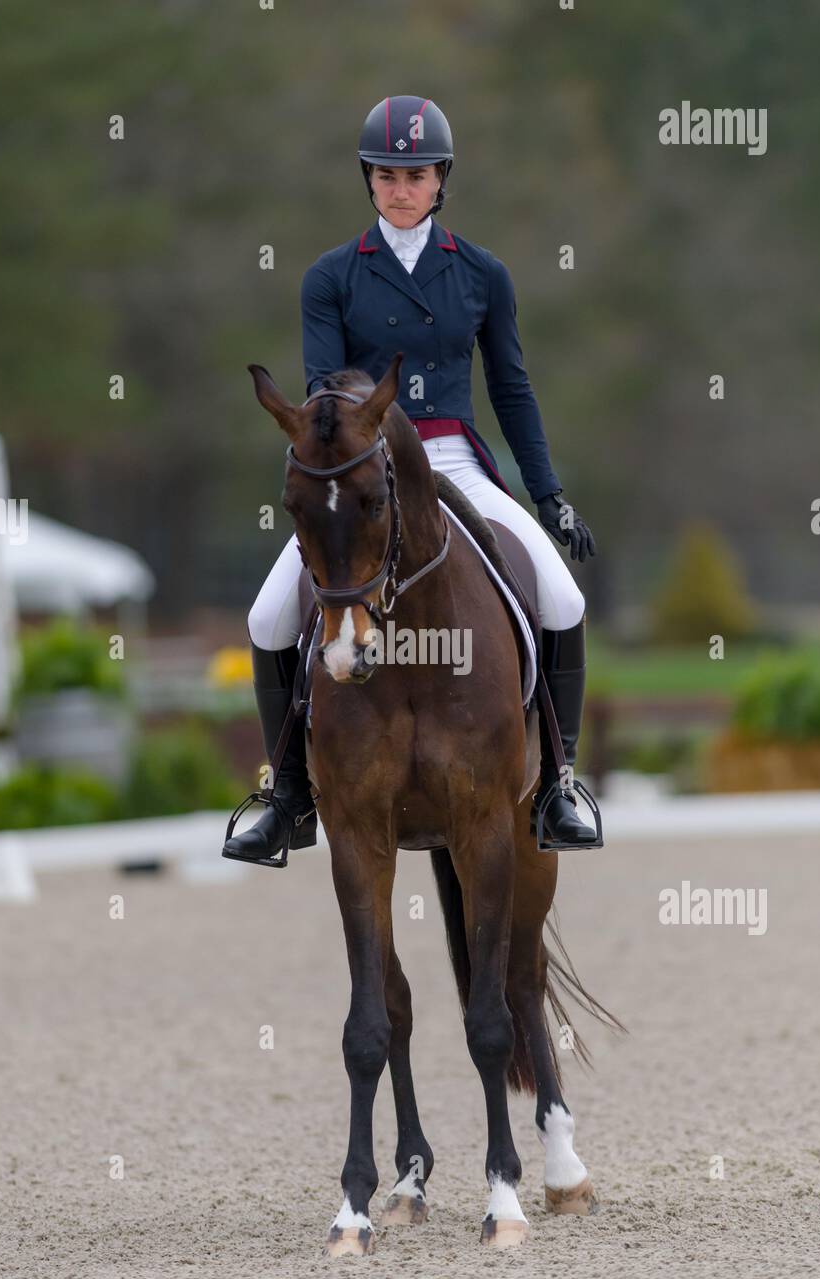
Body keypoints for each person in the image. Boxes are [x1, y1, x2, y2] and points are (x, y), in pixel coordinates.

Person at [223, 94, 600, 866]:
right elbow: (326, 391)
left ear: (440, 182)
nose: (401, 188)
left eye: (416, 175)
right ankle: (286, 794)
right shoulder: (330, 276)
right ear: (369, 181)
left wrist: (548, 493)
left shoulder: (481, 275)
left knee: (563, 598)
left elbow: (512, 390)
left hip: (453, 453)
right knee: (267, 618)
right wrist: (356, 455)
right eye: (387, 175)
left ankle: (558, 783)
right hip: (365, 461)